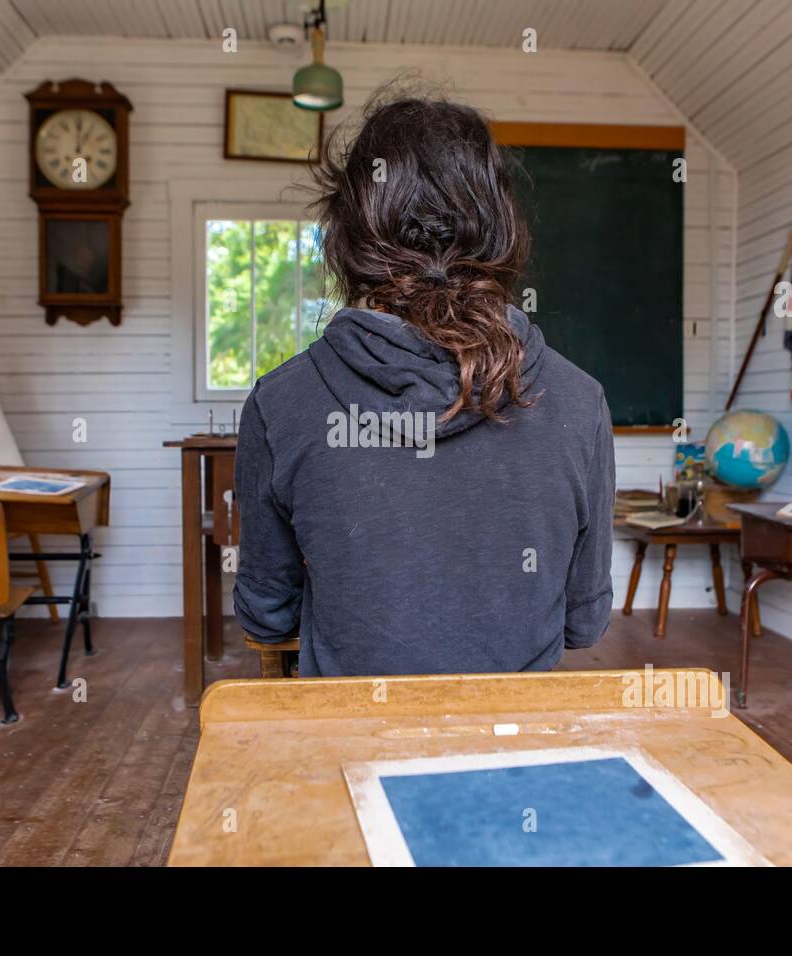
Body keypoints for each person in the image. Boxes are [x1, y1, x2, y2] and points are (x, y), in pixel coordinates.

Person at [233, 92, 615, 677]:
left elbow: (268, 616)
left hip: (348, 745)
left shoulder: (280, 403)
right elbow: (582, 625)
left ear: (348, 238)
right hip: (519, 750)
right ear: (502, 229)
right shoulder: (580, 401)